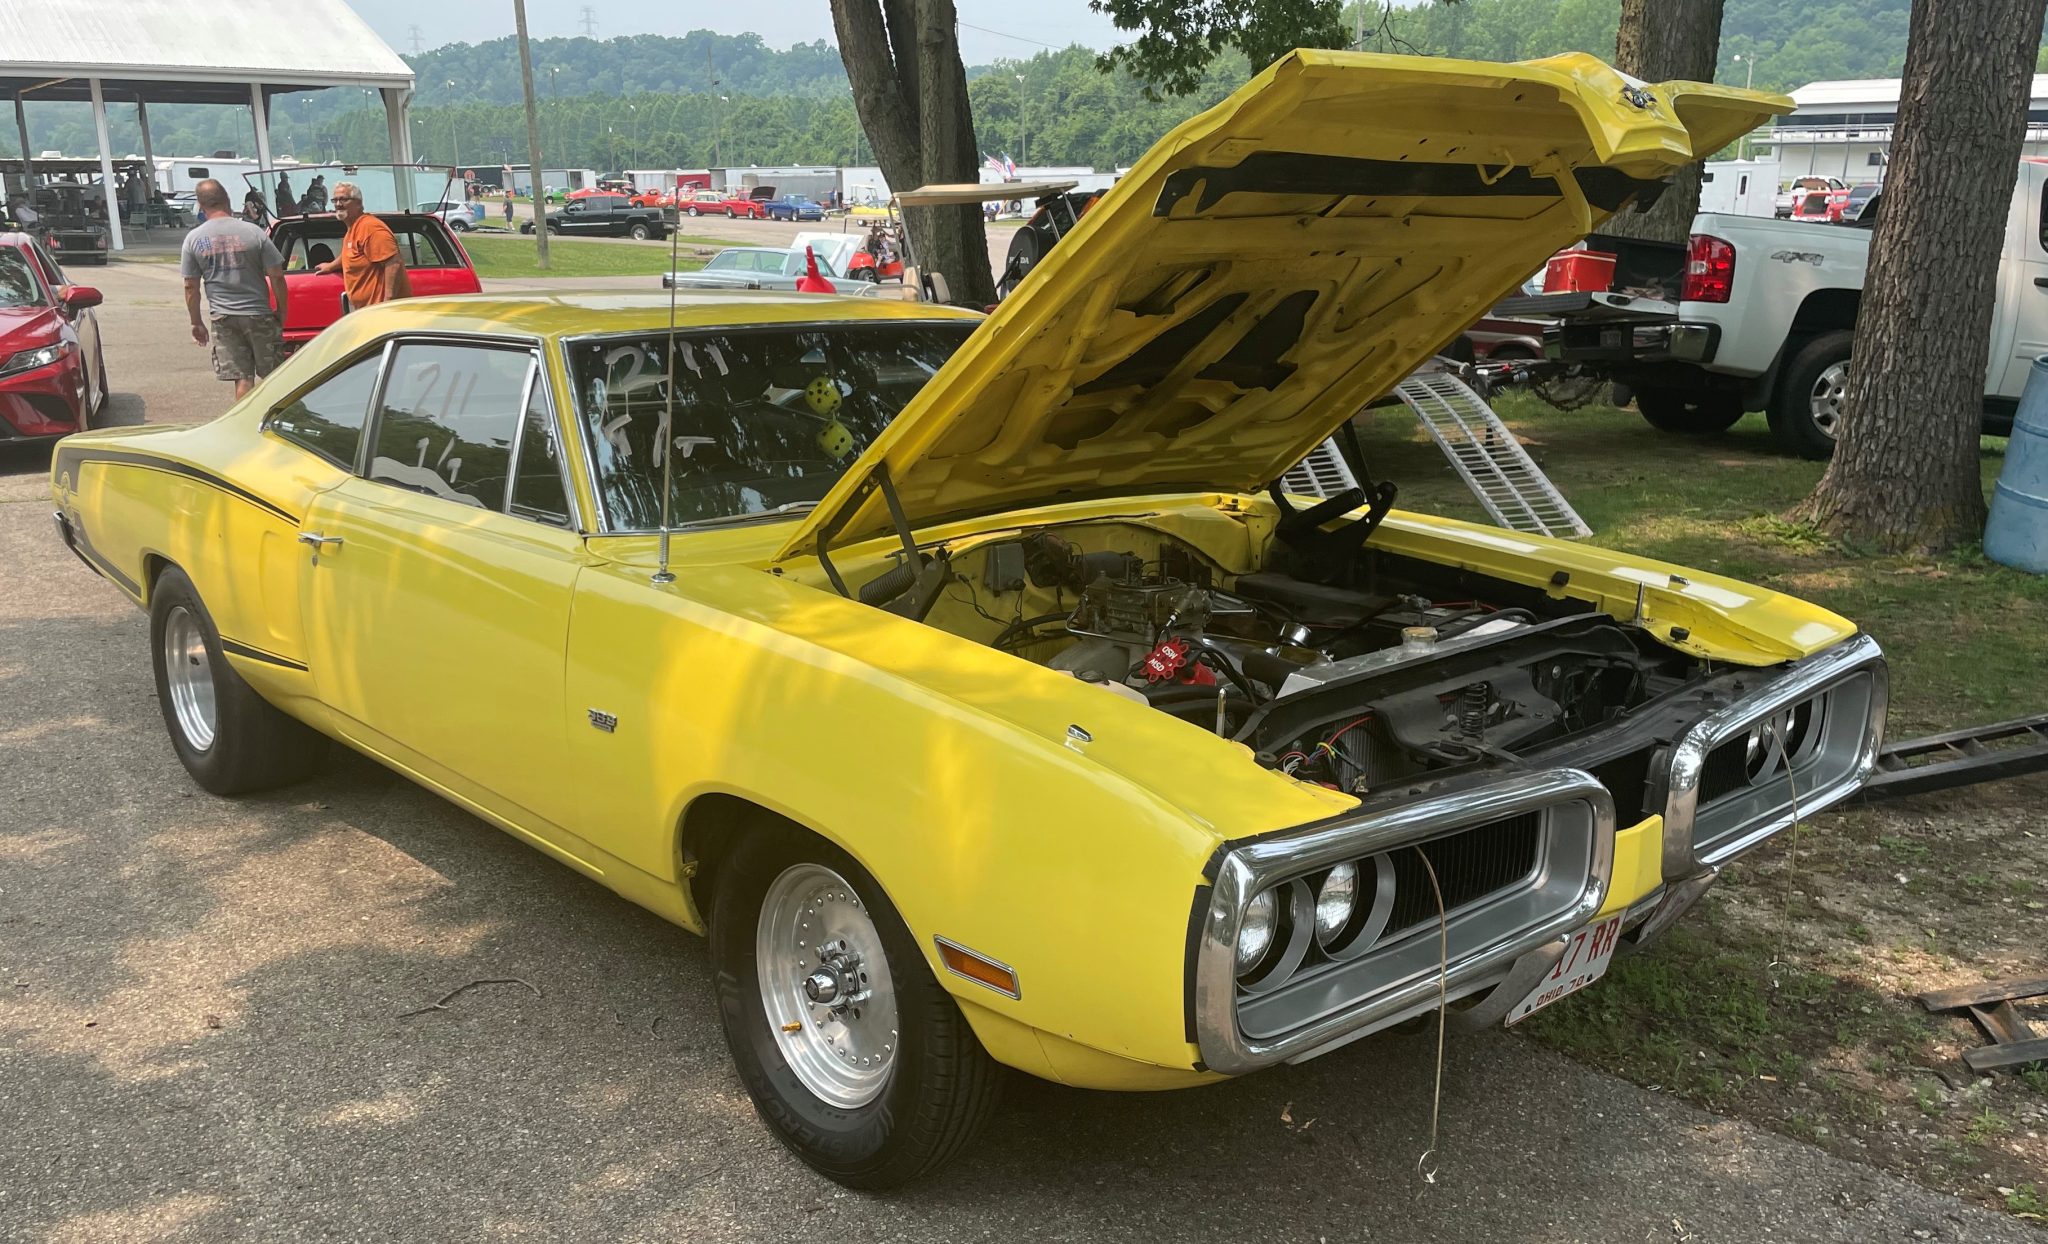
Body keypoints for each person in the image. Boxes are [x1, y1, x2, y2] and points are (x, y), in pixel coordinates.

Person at [179, 179, 288, 400]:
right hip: (258, 313)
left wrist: (196, 322)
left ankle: (244, 424)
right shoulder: (254, 233)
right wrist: (282, 312)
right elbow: (277, 275)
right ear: (227, 199)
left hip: (224, 317)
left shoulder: (193, 239)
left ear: (201, 206)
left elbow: (191, 286)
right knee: (275, 376)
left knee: (243, 378)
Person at [313, 180, 410, 310]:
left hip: (382, 312)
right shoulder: (354, 229)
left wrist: (388, 302)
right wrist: (331, 266)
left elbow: (394, 263)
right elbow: (350, 254)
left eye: (344, 199)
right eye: (334, 200)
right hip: (367, 312)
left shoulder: (370, 228)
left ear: (359, 203)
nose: (338, 204)